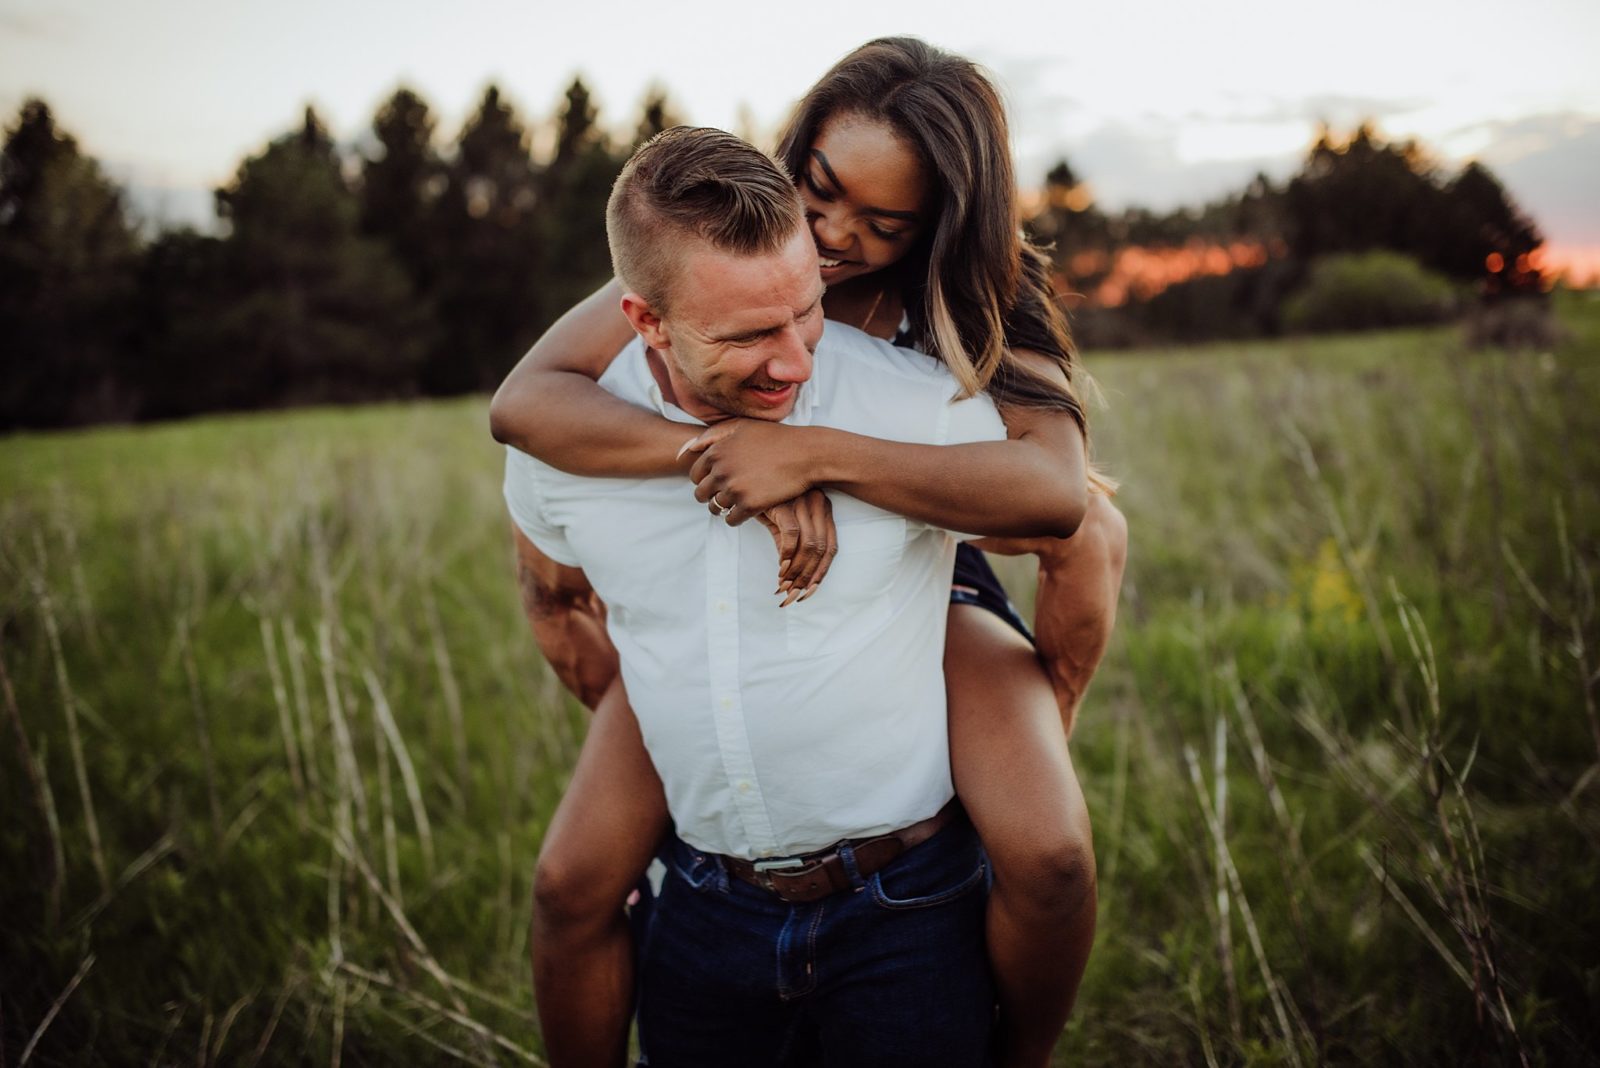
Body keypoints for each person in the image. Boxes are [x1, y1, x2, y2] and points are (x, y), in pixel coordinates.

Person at [495, 39, 1127, 1067]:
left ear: (937, 226)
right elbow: (524, 404)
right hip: (725, 563)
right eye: (820, 191)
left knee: (1047, 849)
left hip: (931, 556)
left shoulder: (971, 311)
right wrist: (718, 456)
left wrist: (808, 457)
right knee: (571, 880)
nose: (831, 239)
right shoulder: (725, 251)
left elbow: (1064, 503)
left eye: (881, 224)